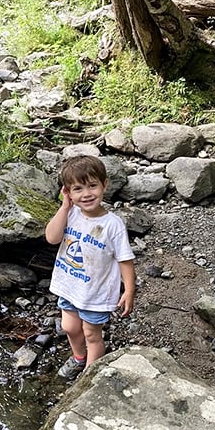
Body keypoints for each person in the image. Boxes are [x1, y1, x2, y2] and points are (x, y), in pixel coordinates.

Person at [45, 154, 136, 379]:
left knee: (91, 334)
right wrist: (65, 207)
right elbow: (51, 238)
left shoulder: (112, 225)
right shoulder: (71, 213)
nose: (86, 194)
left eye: (92, 186)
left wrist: (129, 290)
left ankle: (89, 374)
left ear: (104, 185)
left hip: (96, 292)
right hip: (69, 285)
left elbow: (125, 259)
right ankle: (78, 357)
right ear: (67, 192)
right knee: (69, 327)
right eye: (77, 189)